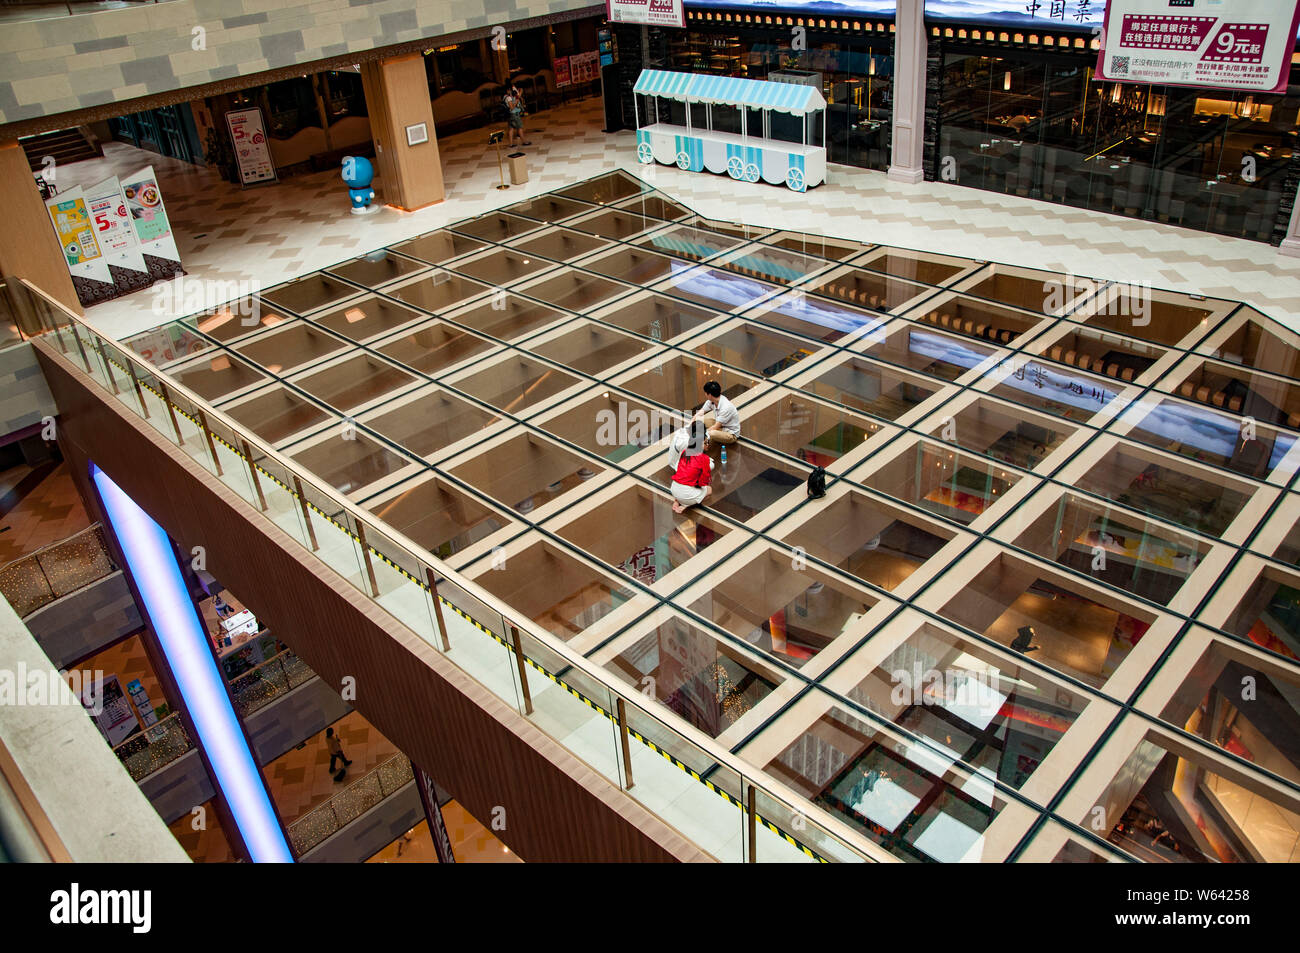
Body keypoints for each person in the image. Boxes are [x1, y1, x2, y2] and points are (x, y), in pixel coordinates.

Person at [670, 422, 712, 514]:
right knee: (709, 490)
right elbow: (703, 481)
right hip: (686, 493)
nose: (707, 444)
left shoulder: (685, 451)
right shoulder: (704, 458)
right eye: (705, 442)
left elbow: (680, 469)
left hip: (674, 488)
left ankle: (677, 500)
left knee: (689, 483)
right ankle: (687, 506)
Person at [695, 380, 740, 446]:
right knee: (698, 420)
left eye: (705, 393)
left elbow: (715, 427)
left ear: (709, 395)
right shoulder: (710, 401)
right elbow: (699, 413)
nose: (705, 394)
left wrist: (699, 437)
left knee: (711, 433)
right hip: (720, 425)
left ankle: (703, 443)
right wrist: (688, 426)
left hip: (730, 433)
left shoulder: (726, 407)